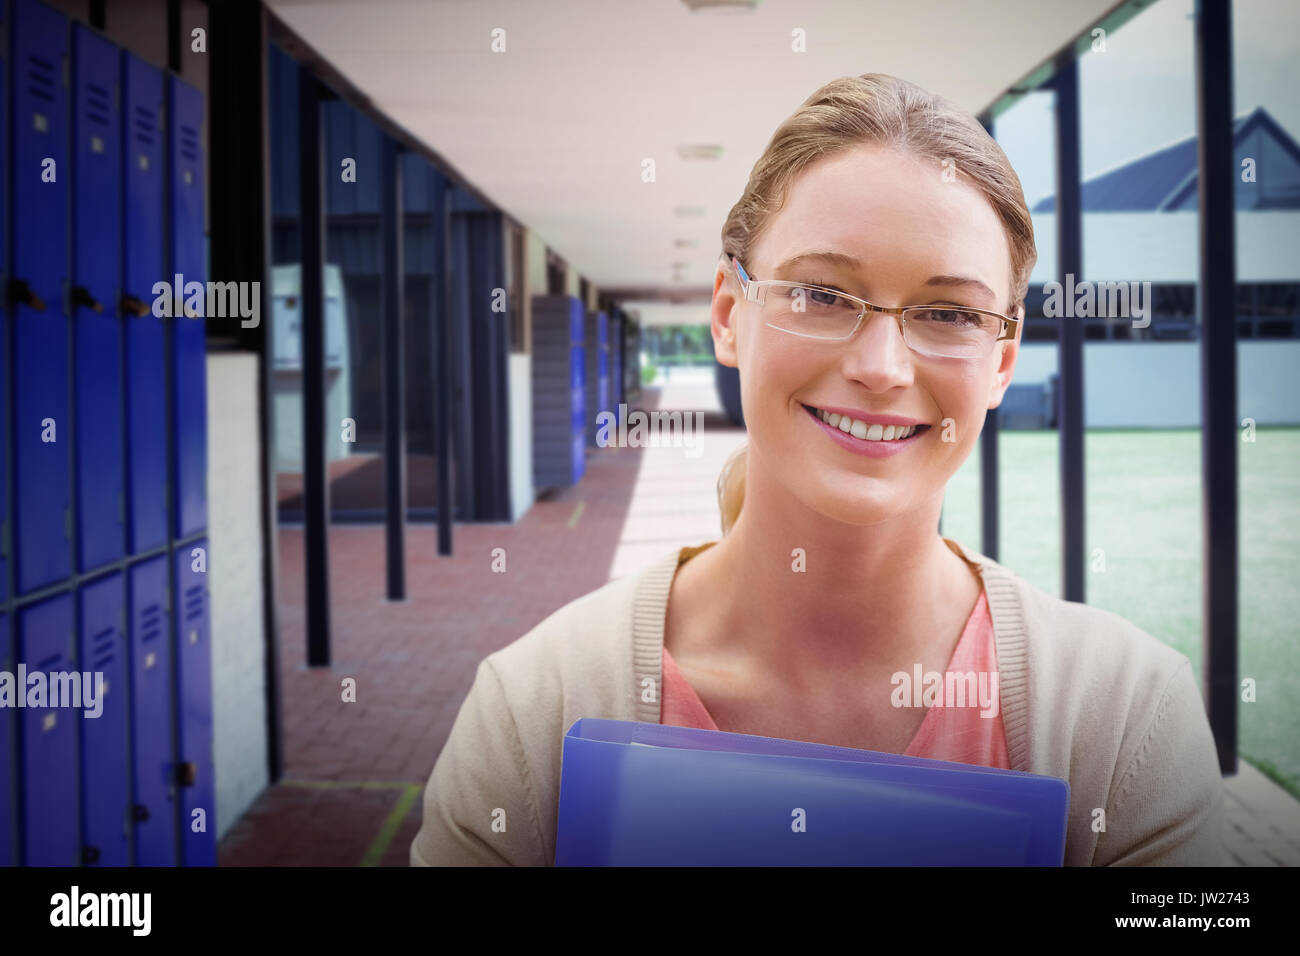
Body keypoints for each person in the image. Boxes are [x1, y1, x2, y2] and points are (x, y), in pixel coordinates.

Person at [410, 73, 1230, 867]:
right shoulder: (533, 711)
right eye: (823, 294)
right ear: (730, 317)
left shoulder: (1124, 720)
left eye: (948, 313)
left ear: (1002, 362)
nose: (881, 367)